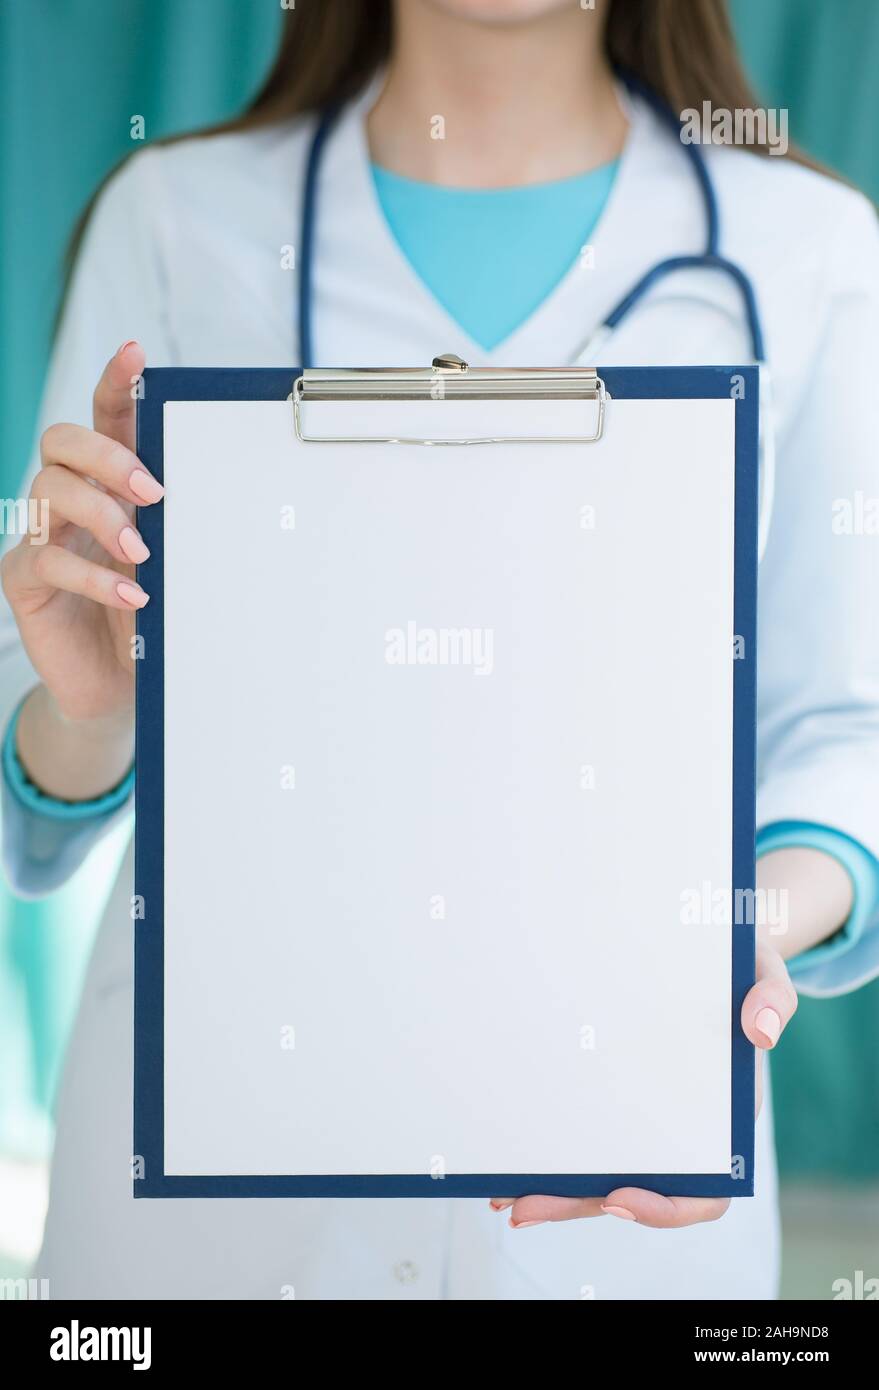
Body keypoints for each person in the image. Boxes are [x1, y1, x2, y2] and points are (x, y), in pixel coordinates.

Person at [1, 0, 878, 1300]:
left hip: (613, 1215)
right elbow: (45, 787)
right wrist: (92, 709)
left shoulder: (808, 247)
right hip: (202, 1230)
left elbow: (843, 731)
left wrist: (742, 923)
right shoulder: (175, 219)